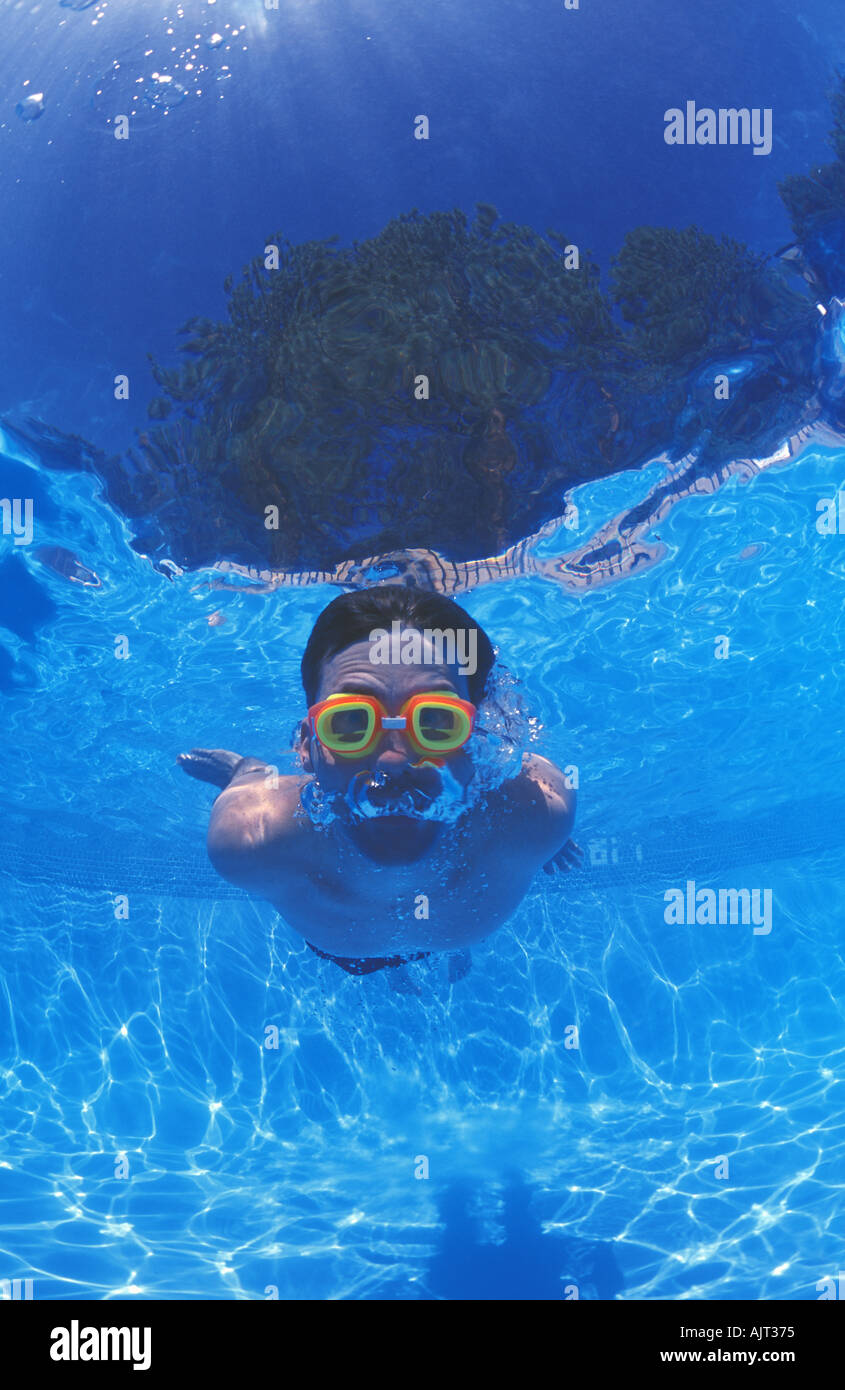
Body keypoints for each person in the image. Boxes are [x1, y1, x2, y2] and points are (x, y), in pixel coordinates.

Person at [178, 586, 579, 979]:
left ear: (479, 740)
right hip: (347, 952)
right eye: (351, 721)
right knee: (370, 966)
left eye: (437, 722)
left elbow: (531, 789)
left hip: (443, 932)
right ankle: (245, 767)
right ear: (306, 745)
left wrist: (547, 835)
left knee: (455, 953)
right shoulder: (250, 838)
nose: (393, 762)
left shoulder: (540, 814)